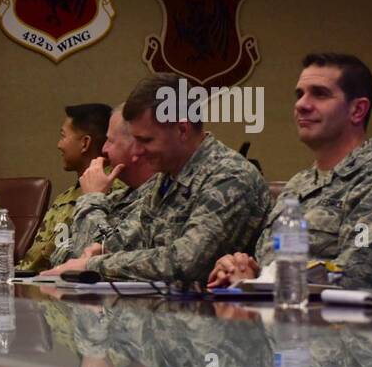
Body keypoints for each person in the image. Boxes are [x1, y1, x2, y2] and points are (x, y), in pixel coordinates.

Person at [208, 53, 372, 292]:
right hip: (275, 320)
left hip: (336, 326)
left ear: (357, 110)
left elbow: (358, 276)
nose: (301, 104)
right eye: (300, 94)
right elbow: (271, 265)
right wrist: (243, 270)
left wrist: (264, 280)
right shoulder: (298, 184)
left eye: (320, 93)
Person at [52, 73, 271, 284]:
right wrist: (105, 251)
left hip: (213, 316)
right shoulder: (164, 180)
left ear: (182, 130)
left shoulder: (229, 176)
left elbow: (186, 263)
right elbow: (127, 246)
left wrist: (95, 265)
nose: (137, 153)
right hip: (159, 312)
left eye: (146, 140)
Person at [51, 104, 160, 269]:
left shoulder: (157, 200)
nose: (104, 149)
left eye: (110, 141)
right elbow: (60, 258)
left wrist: (91, 199)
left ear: (136, 147)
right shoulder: (117, 197)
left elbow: (106, 259)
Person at [19, 103, 119, 272]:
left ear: (85, 143)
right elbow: (36, 260)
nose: (59, 145)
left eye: (63, 136)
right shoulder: (65, 198)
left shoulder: (117, 193)